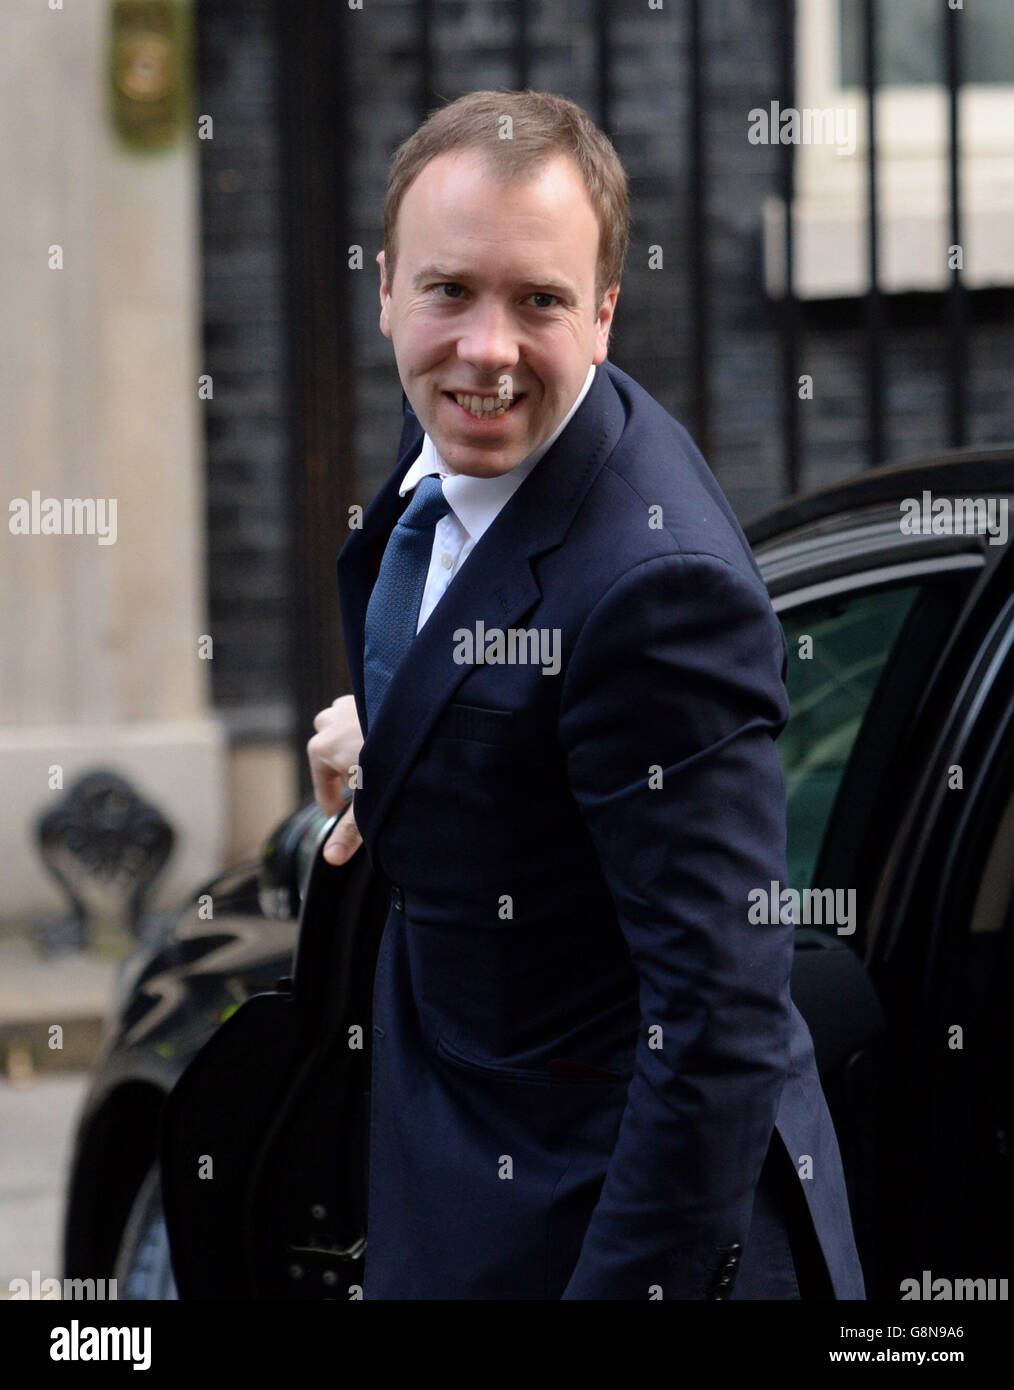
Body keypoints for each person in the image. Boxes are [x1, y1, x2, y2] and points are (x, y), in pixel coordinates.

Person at [306, 89, 865, 1300]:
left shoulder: (659, 596)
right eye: (451, 290)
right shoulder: (458, 431)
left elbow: (715, 1028)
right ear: (387, 290)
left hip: (597, 1231)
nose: (489, 348)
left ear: (604, 314)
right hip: (456, 1175)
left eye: (542, 301)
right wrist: (398, 750)